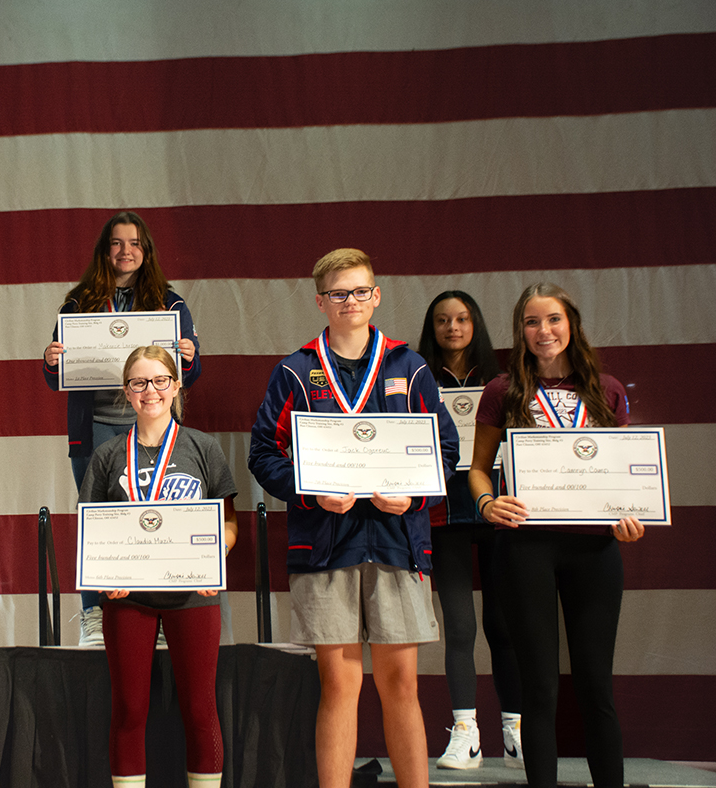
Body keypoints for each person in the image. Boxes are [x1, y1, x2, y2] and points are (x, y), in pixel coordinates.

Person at [248, 249, 457, 788]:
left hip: (396, 543)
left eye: (360, 291)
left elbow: (445, 449)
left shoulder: (409, 367)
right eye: (339, 294)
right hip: (324, 548)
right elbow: (263, 456)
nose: (350, 302)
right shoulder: (295, 371)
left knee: (401, 687)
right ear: (320, 301)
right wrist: (312, 495)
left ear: (377, 295)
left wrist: (414, 498)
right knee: (338, 689)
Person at [469, 283, 645, 788]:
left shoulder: (606, 389)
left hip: (595, 548)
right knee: (539, 687)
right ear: (519, 331)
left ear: (572, 325)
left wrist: (629, 515)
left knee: (595, 687)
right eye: (531, 322)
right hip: (526, 547)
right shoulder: (503, 391)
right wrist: (487, 501)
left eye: (553, 320)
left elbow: (622, 475)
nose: (543, 331)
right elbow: (479, 470)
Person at [79, 346, 238, 788]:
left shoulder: (203, 447)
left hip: (192, 593)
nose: (150, 391)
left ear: (176, 385)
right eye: (139, 383)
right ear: (126, 393)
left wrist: (212, 563)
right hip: (129, 598)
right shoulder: (108, 455)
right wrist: (103, 577)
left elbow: (227, 525)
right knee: (130, 707)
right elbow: (92, 531)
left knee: (199, 706)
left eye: (159, 381)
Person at [43, 211, 201, 646]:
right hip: (93, 429)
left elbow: (192, 371)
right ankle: (95, 615)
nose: (125, 250)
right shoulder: (78, 303)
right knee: (97, 521)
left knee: (159, 517)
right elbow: (56, 377)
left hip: (153, 430)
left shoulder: (170, 303)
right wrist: (52, 361)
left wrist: (188, 355)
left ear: (145, 251)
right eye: (116, 243)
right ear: (104, 251)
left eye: (134, 243)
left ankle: (163, 616)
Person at [416, 291, 522, 768]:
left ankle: (516, 731)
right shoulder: (415, 377)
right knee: (459, 626)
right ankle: (467, 733)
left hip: (499, 512)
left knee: (505, 626)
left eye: (461, 319)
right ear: (432, 327)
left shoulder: (503, 379)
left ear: (475, 324)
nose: (452, 328)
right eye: (442, 320)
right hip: (445, 515)